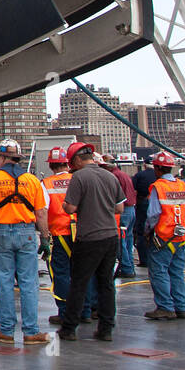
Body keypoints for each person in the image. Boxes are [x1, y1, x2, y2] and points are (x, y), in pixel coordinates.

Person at [0, 139, 50, 345]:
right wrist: (44, 238)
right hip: (26, 233)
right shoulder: (32, 181)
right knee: (28, 283)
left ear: (2, 157)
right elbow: (41, 213)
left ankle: (6, 331)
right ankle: (31, 332)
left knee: (5, 283)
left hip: (2, 233)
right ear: (17, 159)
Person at [58, 143, 124, 342]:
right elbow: (120, 208)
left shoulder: (79, 177)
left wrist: (67, 205)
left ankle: (69, 328)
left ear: (77, 160)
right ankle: (106, 329)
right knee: (106, 284)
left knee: (79, 283)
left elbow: (70, 208)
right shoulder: (110, 176)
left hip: (89, 238)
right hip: (111, 237)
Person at [41, 147, 96, 327]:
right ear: (67, 163)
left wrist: (44, 235)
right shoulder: (78, 179)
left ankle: (65, 311)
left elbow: (42, 211)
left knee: (61, 273)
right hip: (82, 232)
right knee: (82, 272)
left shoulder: (46, 184)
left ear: (51, 166)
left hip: (59, 234)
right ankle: (85, 310)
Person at [144, 152, 185, 320]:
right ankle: (180, 307)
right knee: (177, 272)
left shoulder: (159, 187)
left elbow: (154, 214)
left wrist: (148, 230)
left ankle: (165, 306)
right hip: (181, 236)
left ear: (157, 169)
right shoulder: (184, 186)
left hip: (163, 237)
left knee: (159, 271)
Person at [100, 155, 137, 278]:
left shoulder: (113, 176)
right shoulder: (123, 174)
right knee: (128, 240)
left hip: (123, 211)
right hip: (131, 210)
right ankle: (129, 266)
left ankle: (126, 268)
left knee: (121, 242)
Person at [131, 159, 158, 270]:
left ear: (145, 165)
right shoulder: (158, 175)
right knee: (155, 230)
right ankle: (154, 258)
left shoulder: (139, 175)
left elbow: (133, 189)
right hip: (157, 203)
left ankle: (144, 260)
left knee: (141, 231)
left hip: (142, 203)